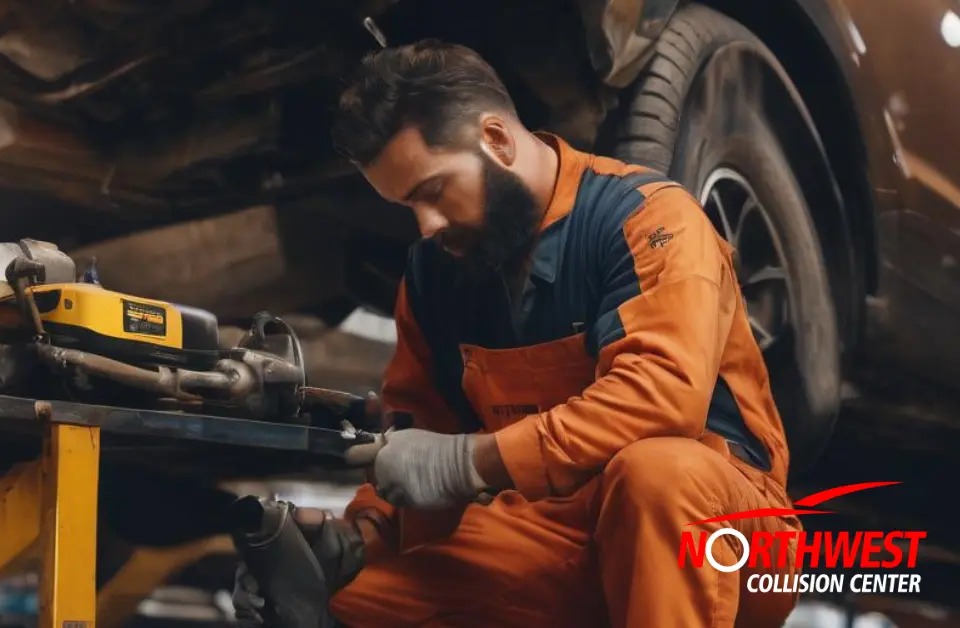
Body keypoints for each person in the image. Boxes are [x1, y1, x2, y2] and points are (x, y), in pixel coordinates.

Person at [235, 40, 803, 628]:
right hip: (552, 534)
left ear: (498, 141)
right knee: (335, 607)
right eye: (407, 206)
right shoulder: (433, 276)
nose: (426, 225)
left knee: (655, 475)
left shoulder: (648, 219)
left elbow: (661, 400)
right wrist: (354, 543)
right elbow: (416, 436)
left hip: (725, 535)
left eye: (432, 191)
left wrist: (471, 461)